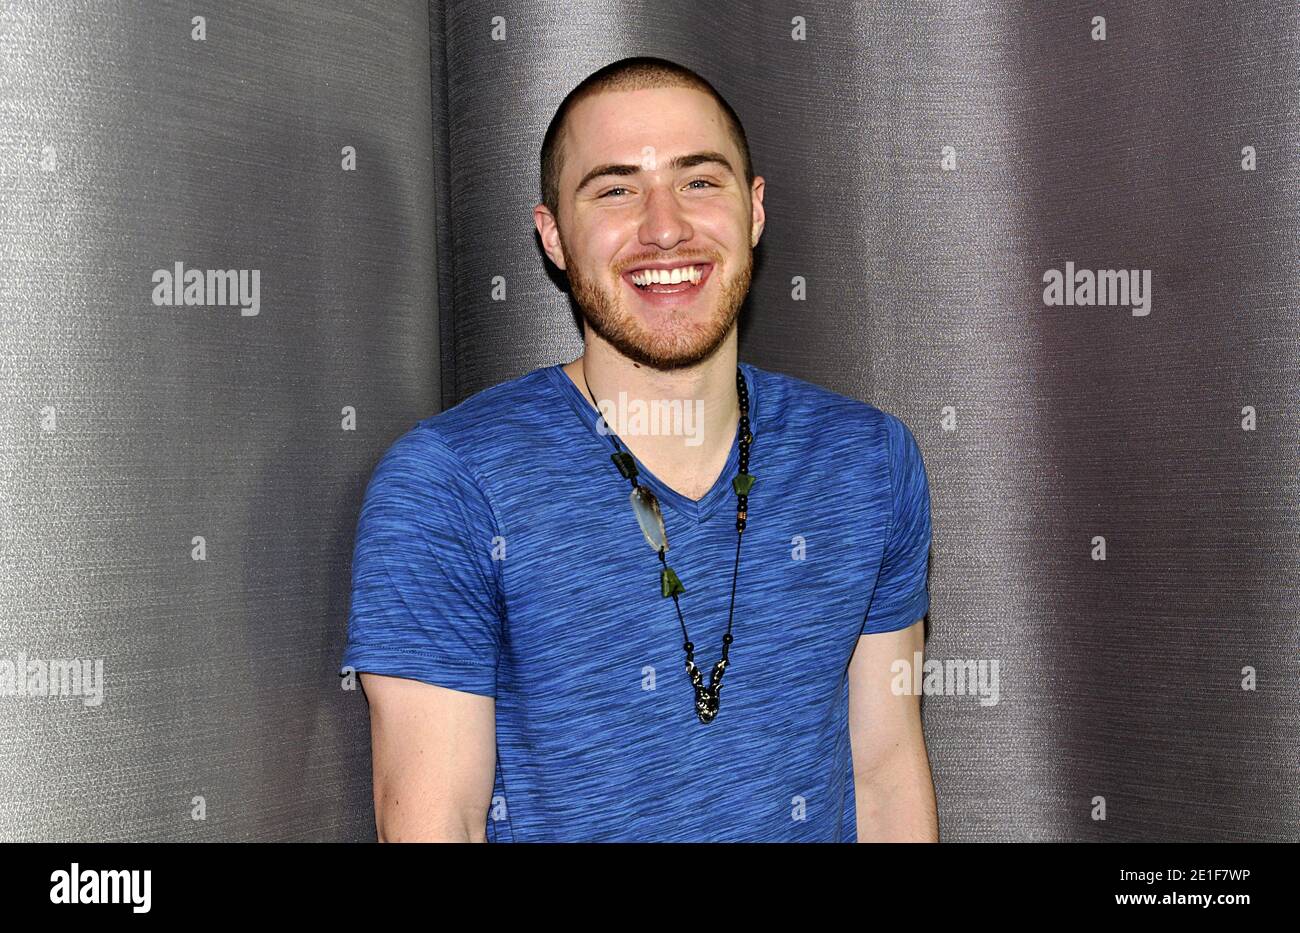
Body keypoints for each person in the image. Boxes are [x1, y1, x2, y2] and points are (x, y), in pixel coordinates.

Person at [339, 55, 937, 842]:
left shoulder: (870, 460)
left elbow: (885, 770)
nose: (664, 226)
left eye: (699, 180)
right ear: (553, 235)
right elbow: (432, 818)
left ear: (753, 211)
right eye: (616, 188)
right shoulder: (447, 483)